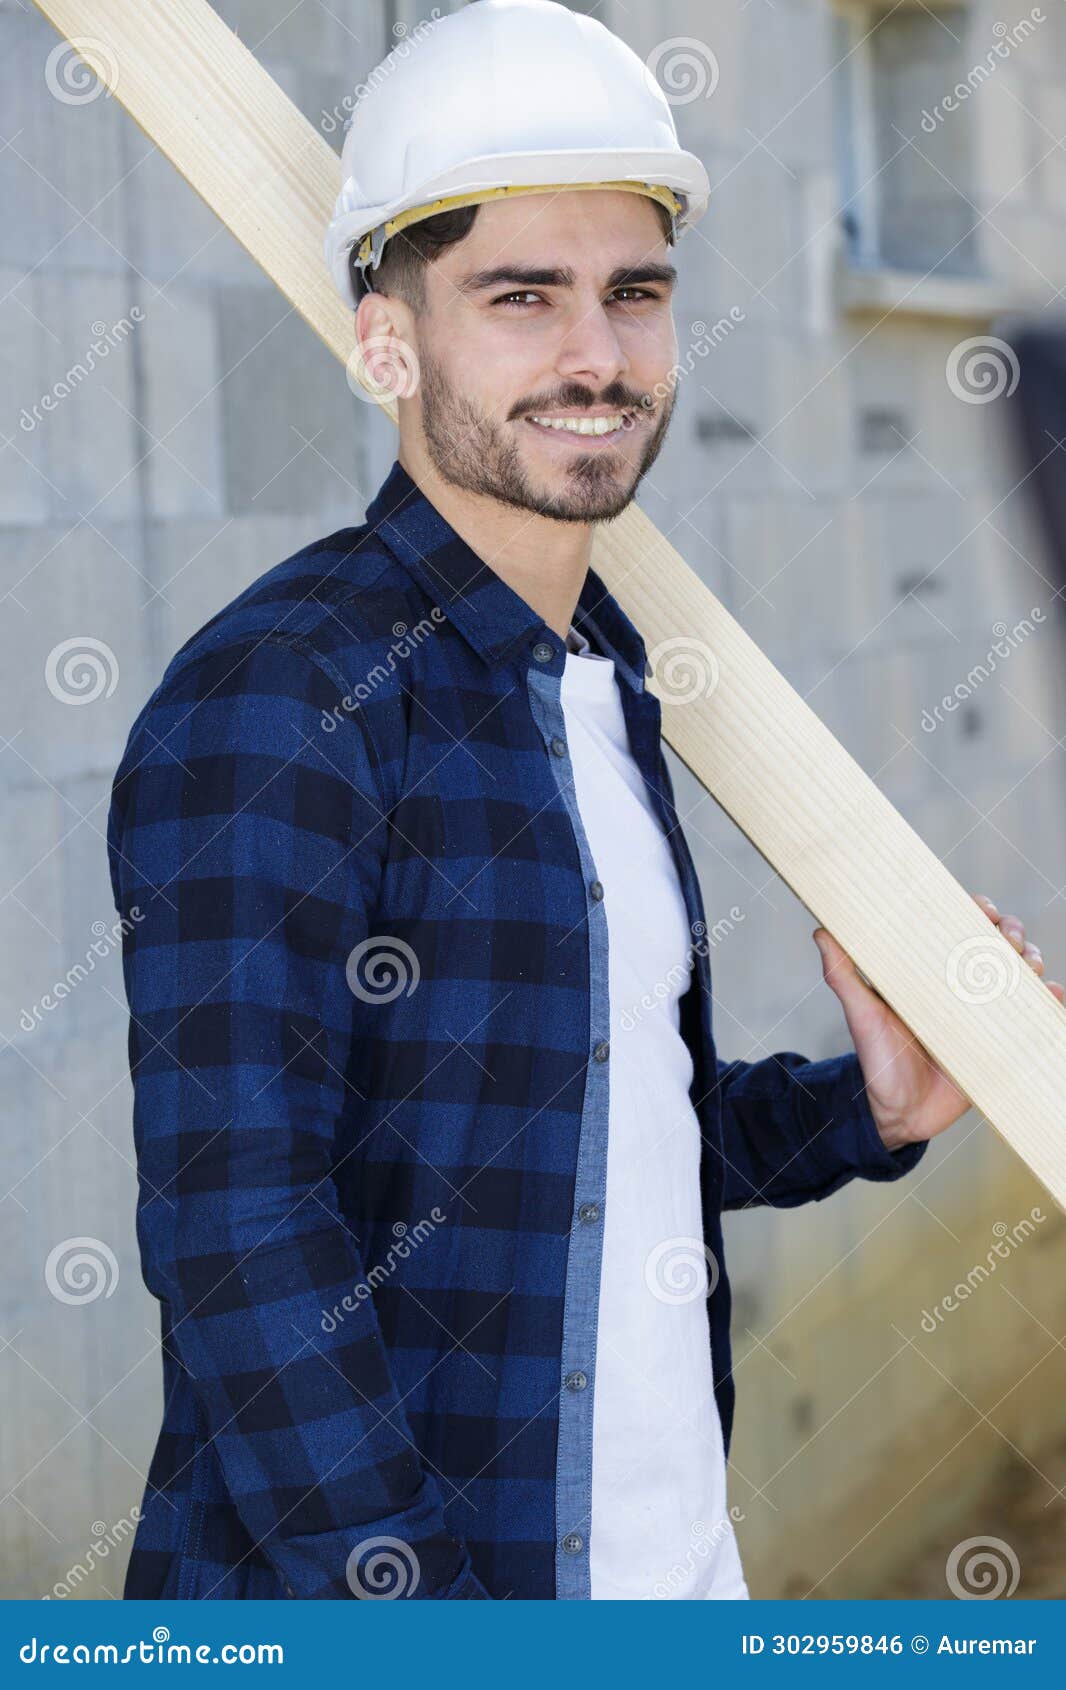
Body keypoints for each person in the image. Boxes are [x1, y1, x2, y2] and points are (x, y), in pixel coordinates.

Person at [106, 0, 1059, 1602]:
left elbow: (592, 1139)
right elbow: (239, 1245)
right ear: (384, 338)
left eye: (634, 293)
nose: (594, 357)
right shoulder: (280, 694)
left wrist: (863, 1110)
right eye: (519, 297)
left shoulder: (600, 681)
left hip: (666, 1572)